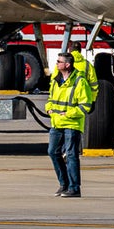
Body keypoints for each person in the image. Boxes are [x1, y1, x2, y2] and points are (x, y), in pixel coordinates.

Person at [44, 48, 95, 198]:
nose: (56, 64)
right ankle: (64, 184)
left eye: (59, 62)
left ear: (67, 65)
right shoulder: (55, 80)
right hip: (57, 122)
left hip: (72, 123)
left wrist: (69, 114)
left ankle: (74, 188)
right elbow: (51, 100)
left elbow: (86, 105)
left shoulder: (80, 81)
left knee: (71, 155)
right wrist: (49, 109)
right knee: (52, 152)